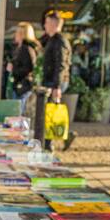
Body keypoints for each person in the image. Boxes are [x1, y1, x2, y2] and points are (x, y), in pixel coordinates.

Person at [40, 10, 73, 149]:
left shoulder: (59, 41)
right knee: (50, 111)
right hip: (52, 80)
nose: (45, 25)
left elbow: (61, 64)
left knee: (50, 112)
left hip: (55, 81)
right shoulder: (52, 39)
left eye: (47, 23)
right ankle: (60, 137)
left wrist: (57, 86)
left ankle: (50, 142)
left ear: (54, 24)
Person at [7, 23, 41, 101]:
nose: (15, 35)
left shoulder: (26, 49)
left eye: (17, 32)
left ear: (23, 34)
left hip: (23, 87)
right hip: (21, 86)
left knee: (19, 110)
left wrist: (13, 69)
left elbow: (27, 68)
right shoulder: (22, 48)